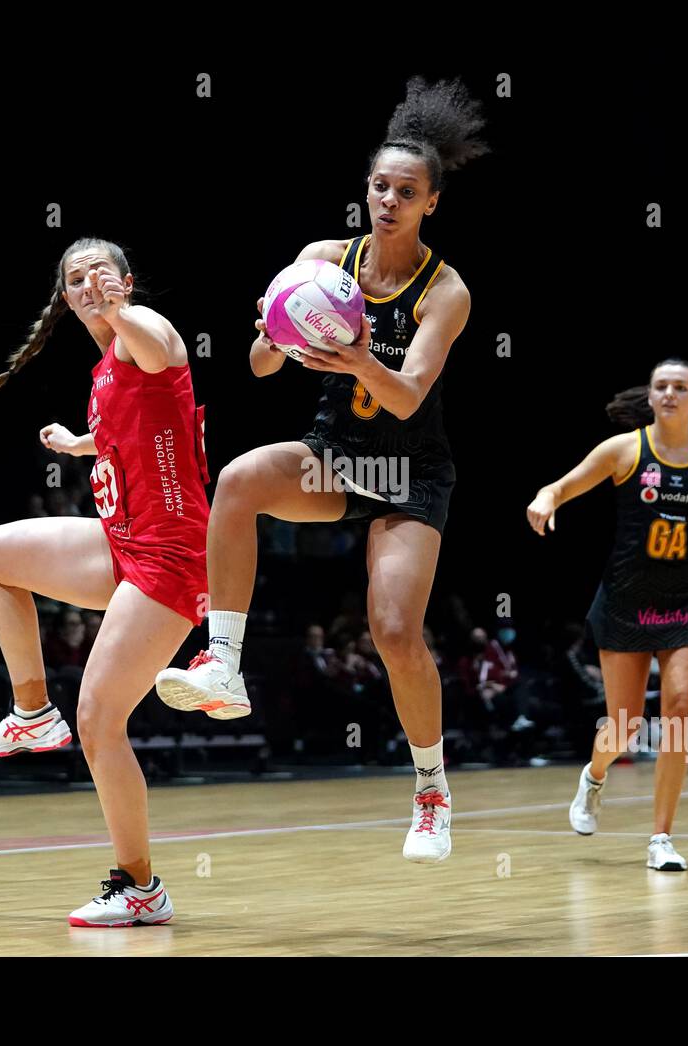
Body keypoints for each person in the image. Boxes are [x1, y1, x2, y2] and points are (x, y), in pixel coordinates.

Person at [154, 78, 487, 864]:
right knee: (236, 481)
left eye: (407, 191)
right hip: (333, 458)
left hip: (409, 474)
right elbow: (259, 365)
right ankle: (223, 664)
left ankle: (432, 791)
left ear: (431, 203)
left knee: (395, 629)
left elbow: (406, 401)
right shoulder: (319, 262)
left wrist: (360, 353)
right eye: (379, 186)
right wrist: (280, 335)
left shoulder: (446, 291)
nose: (388, 200)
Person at [0, 238, 211, 927]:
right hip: (121, 544)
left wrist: (120, 307)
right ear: (66, 299)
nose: (87, 286)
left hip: (169, 559)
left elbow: (160, 344)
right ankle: (33, 712)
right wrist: (81, 443)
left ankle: (140, 888)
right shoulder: (104, 371)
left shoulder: (146, 335)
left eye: (100, 275)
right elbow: (135, 430)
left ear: (126, 282)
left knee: (101, 721)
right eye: (74, 281)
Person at [527, 360, 688, 870]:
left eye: (680, 387)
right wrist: (546, 496)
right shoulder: (625, 450)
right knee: (624, 726)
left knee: (677, 714)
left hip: (687, 604)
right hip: (625, 602)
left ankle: (661, 838)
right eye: (661, 386)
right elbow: (562, 486)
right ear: (650, 396)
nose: (669, 394)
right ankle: (594, 776)